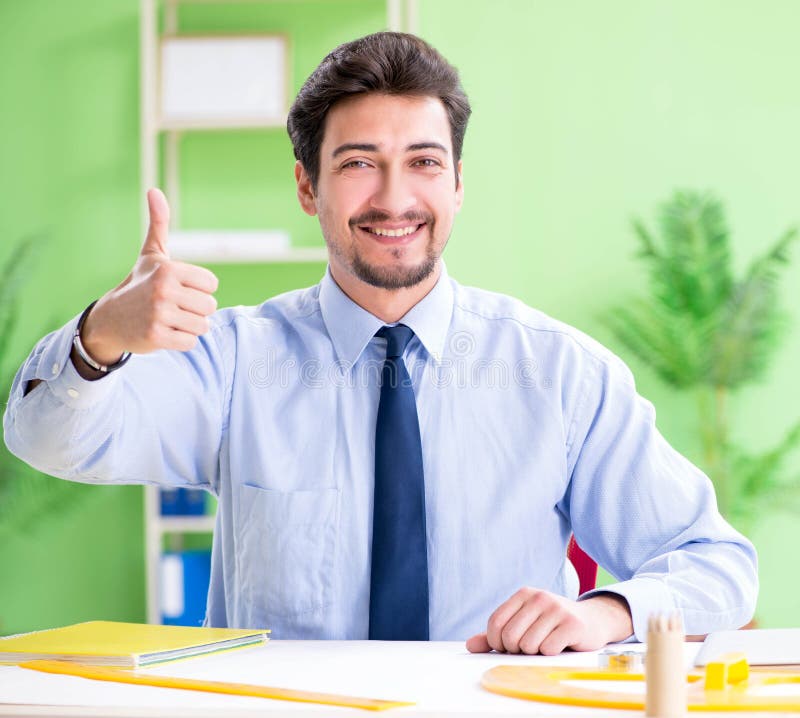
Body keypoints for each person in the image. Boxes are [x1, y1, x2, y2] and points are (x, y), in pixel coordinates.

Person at [4, 32, 756, 655]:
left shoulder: (561, 373)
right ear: (308, 187)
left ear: (457, 182)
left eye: (424, 163)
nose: (395, 199)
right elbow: (43, 439)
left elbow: (717, 565)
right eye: (359, 163)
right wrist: (101, 335)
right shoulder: (229, 361)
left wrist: (607, 613)